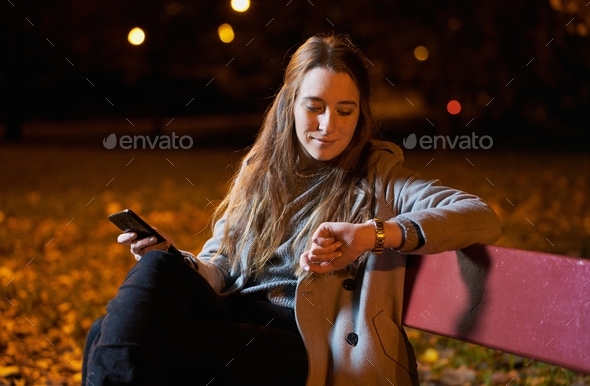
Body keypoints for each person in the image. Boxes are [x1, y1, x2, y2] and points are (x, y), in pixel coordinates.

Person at [83, 33, 502, 385]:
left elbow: (478, 215)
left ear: (361, 114)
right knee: (156, 274)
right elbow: (220, 265)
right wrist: (182, 264)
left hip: (305, 344)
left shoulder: (380, 179)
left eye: (345, 110)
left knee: (116, 340)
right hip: (234, 316)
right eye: (314, 106)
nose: (328, 125)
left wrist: (372, 235)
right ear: (290, 105)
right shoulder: (263, 174)